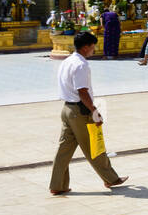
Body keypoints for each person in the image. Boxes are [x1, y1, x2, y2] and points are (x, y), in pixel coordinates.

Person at [49, 31, 128, 196]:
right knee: (95, 146)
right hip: (80, 111)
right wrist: (94, 111)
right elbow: (82, 91)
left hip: (67, 109)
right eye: (93, 46)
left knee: (64, 150)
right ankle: (111, 179)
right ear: (86, 47)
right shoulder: (81, 65)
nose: (94, 49)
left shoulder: (67, 61)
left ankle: (58, 184)